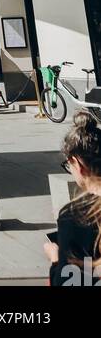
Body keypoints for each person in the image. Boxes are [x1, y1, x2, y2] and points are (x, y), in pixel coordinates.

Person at [46, 111, 101, 286]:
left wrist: (55, 260)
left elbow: (71, 282)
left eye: (68, 165)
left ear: (77, 164)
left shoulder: (75, 215)